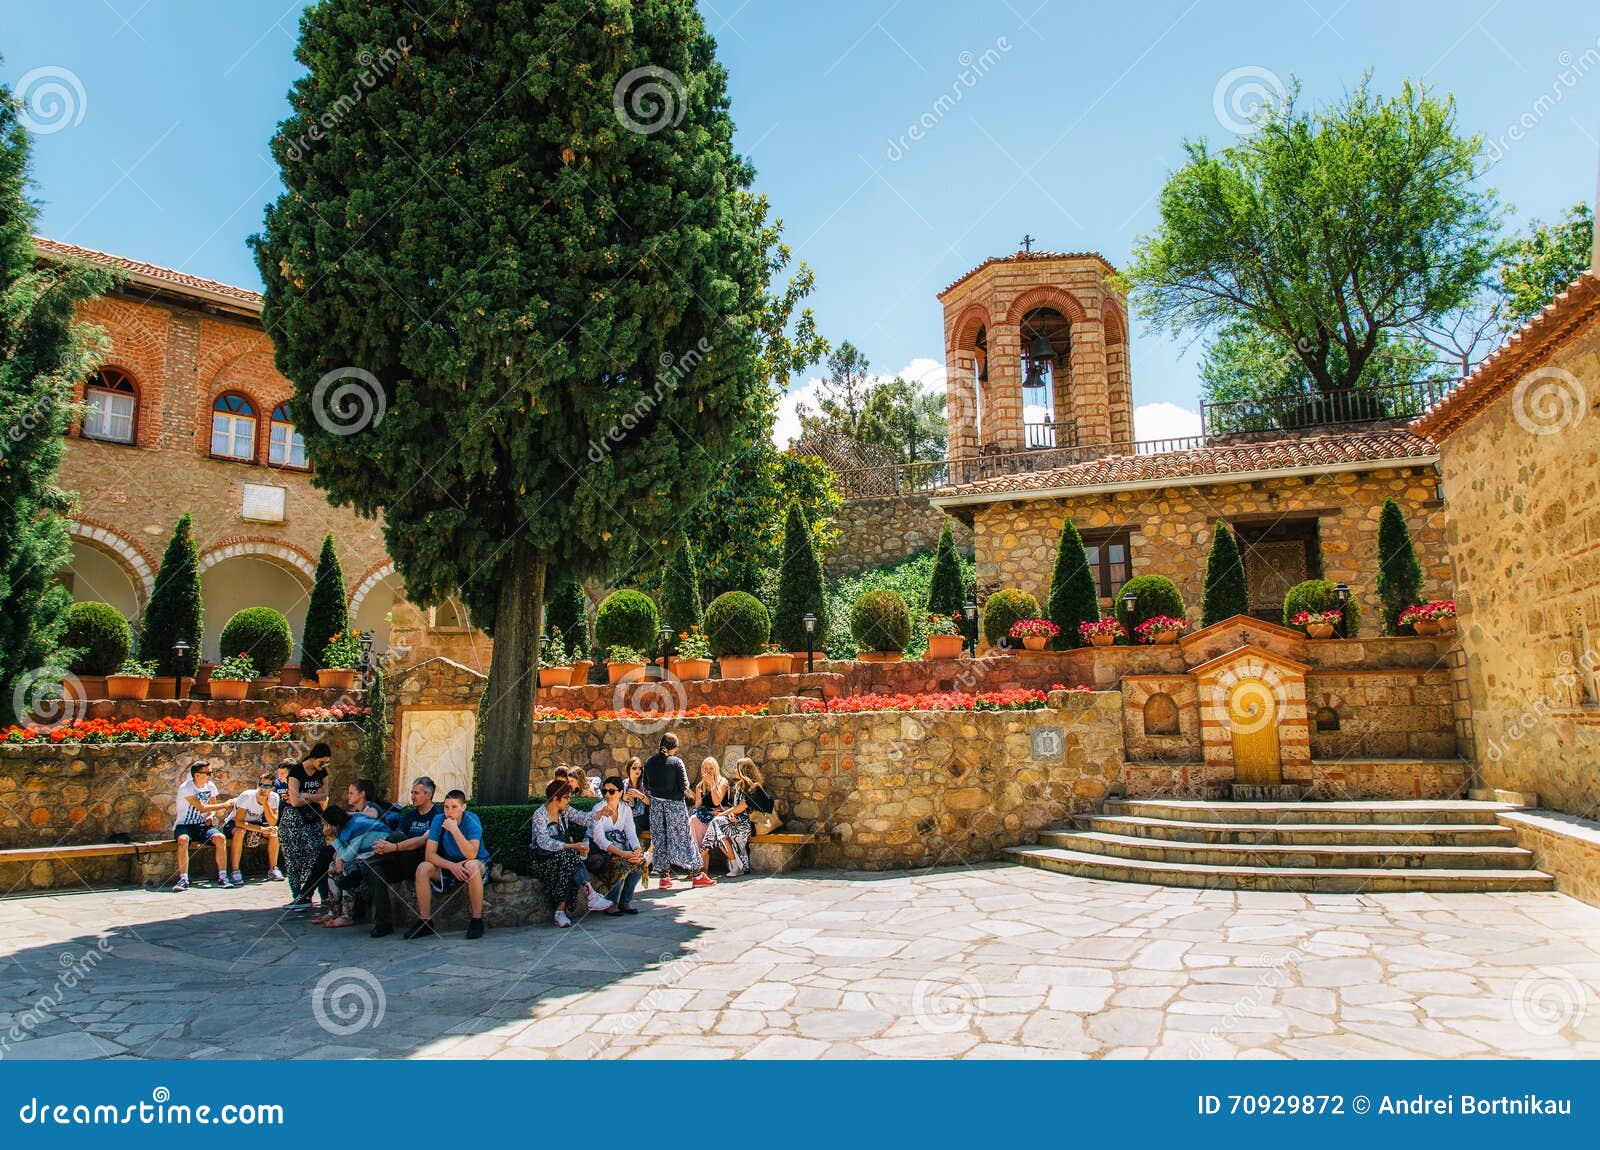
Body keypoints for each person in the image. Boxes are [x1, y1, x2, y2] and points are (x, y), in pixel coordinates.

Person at [362, 776, 440, 938]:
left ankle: (362, 866)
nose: (412, 796)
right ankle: (383, 924)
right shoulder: (408, 815)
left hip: (420, 863)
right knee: (375, 869)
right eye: (412, 792)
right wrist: (387, 847)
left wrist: (393, 847)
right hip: (401, 861)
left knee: (395, 837)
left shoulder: (437, 816)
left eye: (416, 793)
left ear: (428, 795)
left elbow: (422, 841)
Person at [529, 779, 613, 927]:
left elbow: (582, 818)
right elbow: (544, 843)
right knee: (569, 856)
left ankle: (561, 911)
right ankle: (590, 895)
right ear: (556, 798)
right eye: (566, 797)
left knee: (568, 860)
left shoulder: (565, 811)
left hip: (562, 857)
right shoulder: (540, 815)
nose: (569, 801)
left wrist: (600, 813)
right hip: (542, 859)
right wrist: (572, 846)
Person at [411, 789, 490, 940]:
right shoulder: (438, 820)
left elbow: (472, 854)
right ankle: (425, 922)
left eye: (454, 807)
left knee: (472, 866)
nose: (449, 812)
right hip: (451, 865)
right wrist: (451, 866)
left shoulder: (472, 819)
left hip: (475, 863)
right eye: (446, 807)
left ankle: (476, 920)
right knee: (423, 868)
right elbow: (429, 854)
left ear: (463, 807)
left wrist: (454, 830)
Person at [643, 733, 714, 889]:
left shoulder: (649, 762)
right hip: (674, 805)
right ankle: (696, 874)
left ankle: (664, 876)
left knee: (660, 839)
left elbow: (646, 785)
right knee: (684, 837)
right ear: (674, 747)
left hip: (656, 806)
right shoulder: (676, 762)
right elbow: (684, 785)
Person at [314, 806, 391, 927]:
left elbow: (349, 855)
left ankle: (346, 916)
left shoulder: (356, 827)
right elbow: (343, 851)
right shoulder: (346, 825)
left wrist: (336, 847)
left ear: (334, 824)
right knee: (332, 868)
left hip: (374, 856)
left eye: (326, 824)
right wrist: (336, 850)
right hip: (362, 854)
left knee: (346, 869)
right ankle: (333, 912)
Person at [278, 743, 332, 912]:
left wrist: (307, 795)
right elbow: (295, 801)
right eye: (321, 762)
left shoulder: (322, 772)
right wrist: (315, 796)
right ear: (313, 758)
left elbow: (325, 795)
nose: (323, 766)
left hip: (313, 817)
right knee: (293, 858)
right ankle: (299, 898)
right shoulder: (296, 773)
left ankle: (324, 897)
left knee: (318, 855)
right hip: (294, 820)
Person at [701, 758, 773, 878]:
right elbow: (735, 808)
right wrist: (729, 814)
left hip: (746, 824)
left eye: (737, 767)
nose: (734, 770)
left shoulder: (753, 788)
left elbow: (740, 809)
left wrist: (722, 814)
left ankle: (699, 857)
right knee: (718, 832)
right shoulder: (739, 786)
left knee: (716, 824)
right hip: (735, 821)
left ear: (743, 770)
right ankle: (735, 865)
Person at [173, 762, 235, 890]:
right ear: (197, 775)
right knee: (183, 840)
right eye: (208, 773)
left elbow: (211, 806)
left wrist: (211, 815)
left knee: (220, 838)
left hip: (201, 825)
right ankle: (183, 879)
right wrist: (225, 805)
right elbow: (202, 807)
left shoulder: (210, 786)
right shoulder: (186, 788)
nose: (210, 776)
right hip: (184, 825)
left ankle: (223, 876)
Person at [590, 776, 644, 915]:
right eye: (605, 791)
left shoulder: (625, 809)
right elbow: (600, 840)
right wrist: (623, 854)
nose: (607, 794)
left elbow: (631, 833)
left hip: (619, 848)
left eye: (611, 791)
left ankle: (625, 902)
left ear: (620, 792)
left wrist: (637, 850)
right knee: (620, 864)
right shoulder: (598, 809)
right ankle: (611, 903)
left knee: (639, 864)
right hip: (600, 853)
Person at [224, 771, 282, 884]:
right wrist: (260, 829)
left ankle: (273, 869)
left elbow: (272, 821)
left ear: (272, 788)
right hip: (234, 823)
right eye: (261, 785)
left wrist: (265, 803)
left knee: (274, 832)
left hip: (256, 822)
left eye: (267, 786)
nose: (263, 788)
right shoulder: (247, 796)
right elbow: (239, 822)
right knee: (240, 832)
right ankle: (235, 871)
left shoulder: (274, 797)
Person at [688, 756, 731, 850]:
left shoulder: (722, 782)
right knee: (693, 819)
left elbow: (716, 802)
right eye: (706, 768)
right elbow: (697, 806)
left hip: (721, 815)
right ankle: (698, 854)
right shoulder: (700, 786)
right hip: (708, 815)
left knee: (709, 822)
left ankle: (702, 850)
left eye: (711, 768)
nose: (708, 771)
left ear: (716, 769)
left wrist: (712, 784)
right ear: (702, 770)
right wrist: (701, 791)